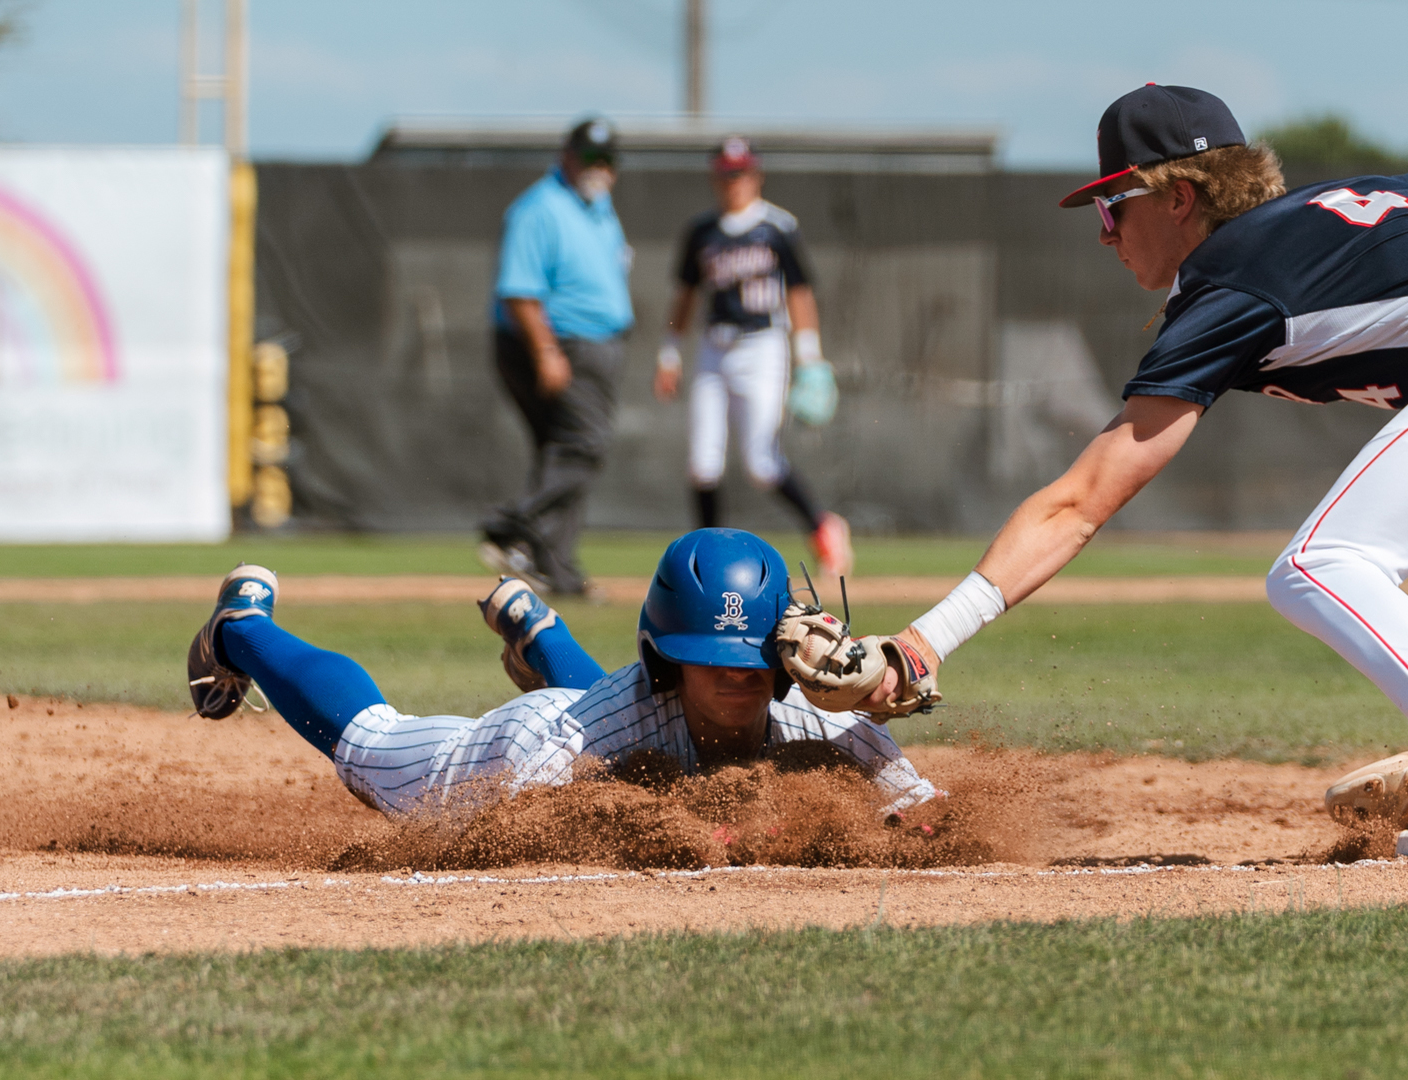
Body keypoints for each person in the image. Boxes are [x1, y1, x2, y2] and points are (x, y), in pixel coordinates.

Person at [779, 84, 1408, 827]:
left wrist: (918, 643)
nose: (1104, 230)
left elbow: (1082, 498)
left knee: (1319, 565)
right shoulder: (1352, 207)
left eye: (1113, 204)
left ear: (1181, 195)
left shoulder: (1229, 278)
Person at [184, 529, 938, 819]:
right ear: (667, 659)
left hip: (607, 711)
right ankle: (243, 626)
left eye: (747, 663)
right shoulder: (550, 744)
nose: (736, 679)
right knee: (373, 740)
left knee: (618, 715)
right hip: (487, 755)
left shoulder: (830, 721)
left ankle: (539, 631)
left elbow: (926, 818)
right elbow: (525, 830)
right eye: (711, 663)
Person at [654, 136, 853, 579]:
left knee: (761, 462)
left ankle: (824, 527)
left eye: (740, 172)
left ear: (756, 175)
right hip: (713, 347)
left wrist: (811, 357)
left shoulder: (777, 227)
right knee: (702, 462)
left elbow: (800, 292)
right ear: (715, 177)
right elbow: (684, 297)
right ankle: (706, 563)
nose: (734, 182)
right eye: (726, 173)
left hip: (764, 345)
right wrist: (669, 353)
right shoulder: (702, 231)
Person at [479, 118, 635, 598]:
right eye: (590, 157)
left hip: (592, 344)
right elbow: (520, 292)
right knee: (584, 445)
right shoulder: (539, 208)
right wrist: (546, 352)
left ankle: (556, 570)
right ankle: (512, 527)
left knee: (564, 453)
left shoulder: (598, 209)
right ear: (567, 155)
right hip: (558, 342)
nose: (600, 168)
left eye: (608, 160)